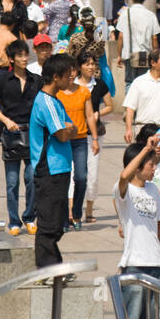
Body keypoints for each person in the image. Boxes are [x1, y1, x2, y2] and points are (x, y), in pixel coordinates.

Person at [115, 135, 160, 319]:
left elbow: (159, 222)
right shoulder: (124, 190)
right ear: (137, 167)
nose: (154, 168)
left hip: (157, 264)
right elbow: (124, 176)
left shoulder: (153, 189)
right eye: (150, 165)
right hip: (135, 263)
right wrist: (146, 149)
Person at [29, 53, 78, 267]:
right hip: (49, 168)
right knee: (49, 222)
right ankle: (47, 269)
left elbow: (74, 129)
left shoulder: (56, 101)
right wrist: (68, 129)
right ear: (56, 77)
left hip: (61, 168)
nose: (71, 80)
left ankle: (54, 265)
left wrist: (70, 128)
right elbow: (62, 133)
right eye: (68, 76)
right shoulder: (46, 102)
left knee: (58, 222)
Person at [0, 39, 39, 234]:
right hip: (11, 134)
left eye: (26, 54)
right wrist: (6, 121)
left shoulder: (36, 80)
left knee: (32, 177)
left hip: (32, 133)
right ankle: (14, 220)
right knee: (12, 182)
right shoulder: (3, 80)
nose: (24, 58)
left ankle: (30, 216)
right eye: (20, 55)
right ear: (11, 59)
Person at [57, 61, 99, 232]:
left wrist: (95, 138)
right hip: (62, 139)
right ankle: (63, 217)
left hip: (80, 139)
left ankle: (76, 213)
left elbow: (89, 115)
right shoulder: (57, 93)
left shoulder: (83, 91)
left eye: (73, 71)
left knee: (81, 177)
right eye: (68, 71)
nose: (71, 74)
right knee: (62, 178)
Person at [76, 49, 112, 223]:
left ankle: (89, 210)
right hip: (74, 135)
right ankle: (72, 210)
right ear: (79, 66)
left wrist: (98, 114)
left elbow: (110, 105)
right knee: (74, 174)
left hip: (94, 134)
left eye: (93, 64)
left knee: (93, 173)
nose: (91, 67)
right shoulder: (72, 85)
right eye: (87, 64)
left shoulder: (100, 85)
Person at [123, 48, 160, 143]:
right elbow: (130, 108)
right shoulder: (139, 82)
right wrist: (129, 129)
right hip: (142, 131)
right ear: (153, 63)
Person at [118, 0, 160, 89]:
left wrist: (119, 55)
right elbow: (154, 38)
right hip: (145, 55)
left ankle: (130, 105)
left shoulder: (125, 13)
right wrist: (156, 55)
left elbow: (120, 36)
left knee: (129, 83)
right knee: (145, 83)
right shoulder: (150, 15)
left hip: (129, 54)